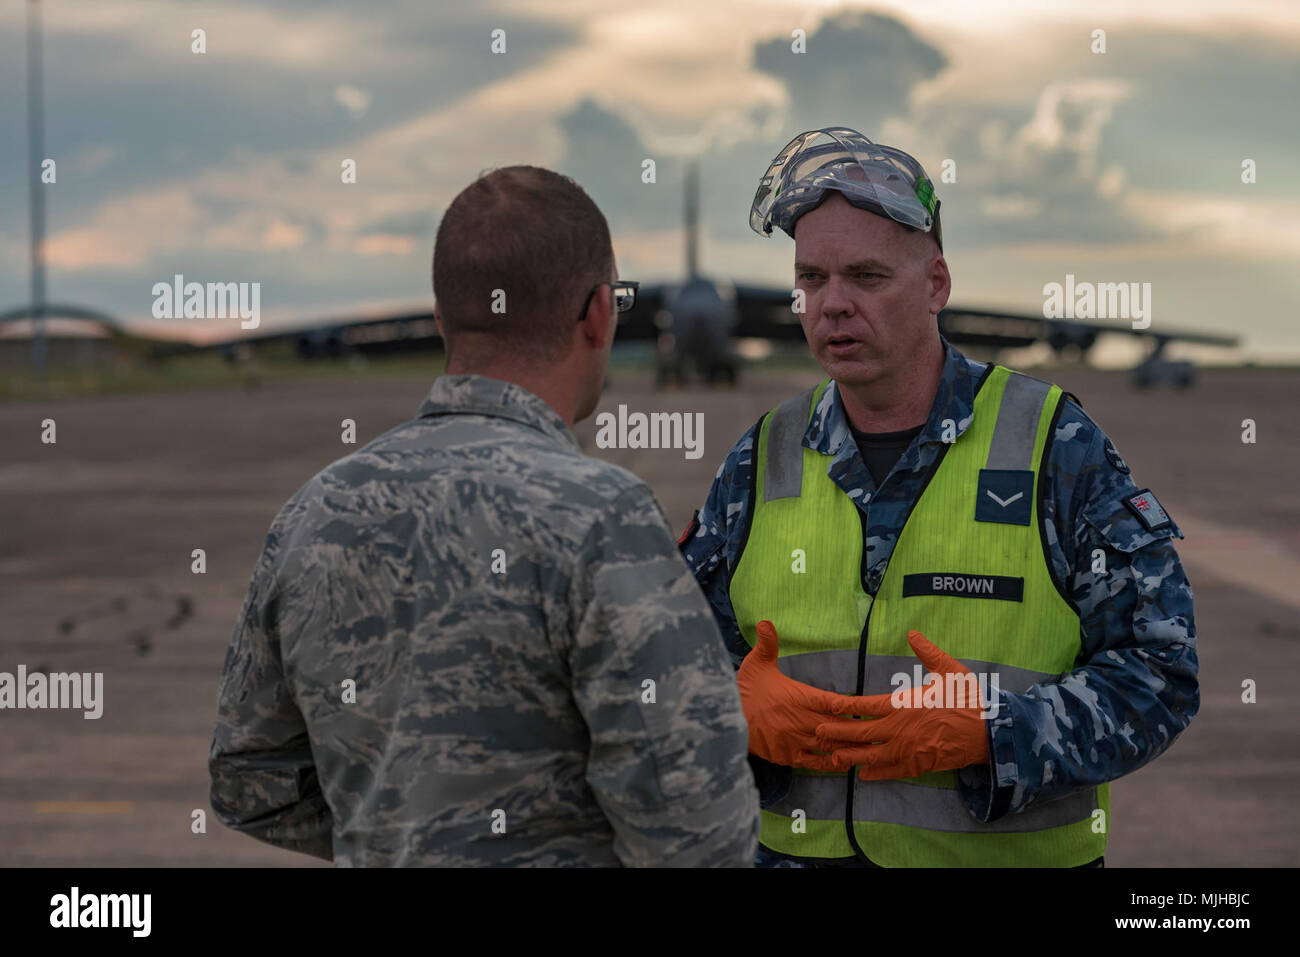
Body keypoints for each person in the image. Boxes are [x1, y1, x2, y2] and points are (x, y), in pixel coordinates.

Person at [209, 165, 759, 867]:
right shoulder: (602, 519)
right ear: (597, 313)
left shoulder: (313, 513)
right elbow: (699, 829)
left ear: (442, 319)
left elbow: (249, 780)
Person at [678, 128, 1199, 867]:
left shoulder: (1053, 446)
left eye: (866, 276)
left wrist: (995, 732)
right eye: (812, 278)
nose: (832, 305)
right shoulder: (762, 459)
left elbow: (1161, 673)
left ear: (936, 285)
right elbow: (666, 663)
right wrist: (726, 708)